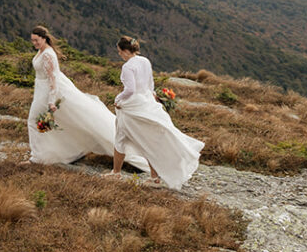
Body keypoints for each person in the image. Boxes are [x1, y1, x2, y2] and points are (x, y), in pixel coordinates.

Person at [27, 25, 144, 169]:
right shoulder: (42, 51)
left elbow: (52, 79)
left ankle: (37, 158)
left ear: (44, 39)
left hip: (49, 91)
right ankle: (51, 153)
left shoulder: (47, 55)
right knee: (63, 121)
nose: (34, 43)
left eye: (37, 40)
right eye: (32, 40)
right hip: (42, 89)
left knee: (33, 120)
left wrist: (51, 100)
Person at [110, 35, 203, 188]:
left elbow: (130, 90)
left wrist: (118, 99)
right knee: (148, 139)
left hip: (132, 105)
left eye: (120, 51)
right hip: (146, 101)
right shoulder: (145, 61)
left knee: (121, 137)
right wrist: (152, 97)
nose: (119, 54)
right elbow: (150, 84)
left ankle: (116, 173)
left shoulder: (127, 67)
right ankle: (153, 177)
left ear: (126, 51)